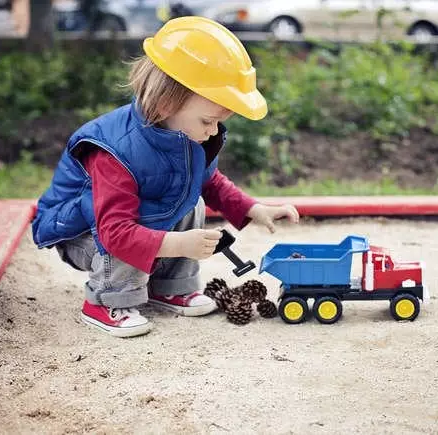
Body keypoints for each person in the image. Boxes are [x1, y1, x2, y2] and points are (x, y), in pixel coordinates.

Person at [31, 16, 300, 338]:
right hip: (83, 234)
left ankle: (170, 288)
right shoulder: (114, 151)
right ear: (166, 103)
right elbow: (114, 231)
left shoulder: (182, 134)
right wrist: (177, 243)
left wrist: (253, 208)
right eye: (207, 120)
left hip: (123, 225)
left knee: (191, 202)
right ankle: (105, 302)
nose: (214, 130)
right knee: (142, 218)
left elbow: (208, 181)